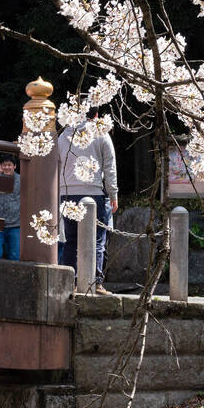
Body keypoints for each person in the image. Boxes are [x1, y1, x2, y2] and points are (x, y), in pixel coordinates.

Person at [57, 105, 117, 293]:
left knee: (71, 240)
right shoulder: (101, 134)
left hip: (67, 192)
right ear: (97, 115)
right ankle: (95, 282)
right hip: (94, 192)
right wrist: (113, 193)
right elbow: (109, 167)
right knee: (97, 239)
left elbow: (56, 165)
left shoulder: (64, 135)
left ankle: (70, 282)